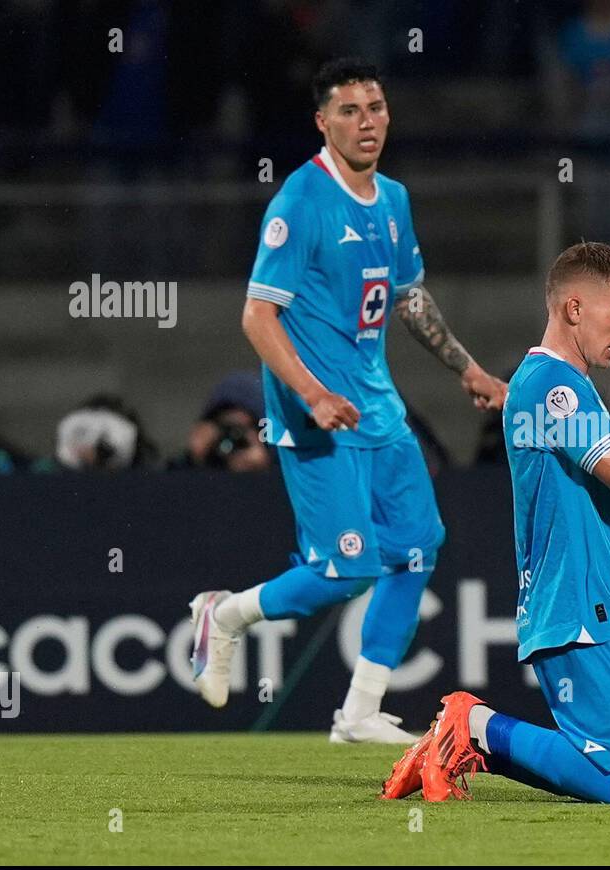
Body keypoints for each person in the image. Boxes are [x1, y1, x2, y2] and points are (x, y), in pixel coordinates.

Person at [186, 59, 507, 745]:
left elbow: (408, 296)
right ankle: (227, 614)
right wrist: (312, 392)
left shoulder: (393, 199)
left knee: (419, 547)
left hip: (379, 411)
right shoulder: (300, 203)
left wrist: (468, 368)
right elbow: (257, 318)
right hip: (315, 419)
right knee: (349, 566)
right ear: (322, 122)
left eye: (377, 108)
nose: (367, 122)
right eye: (351, 111)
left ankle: (359, 711)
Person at [382, 242, 610, 804]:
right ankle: (474, 728)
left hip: (592, 605)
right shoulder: (554, 390)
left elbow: (578, 505)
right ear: (574, 310)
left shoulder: (556, 388)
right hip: (583, 609)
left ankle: (472, 739)